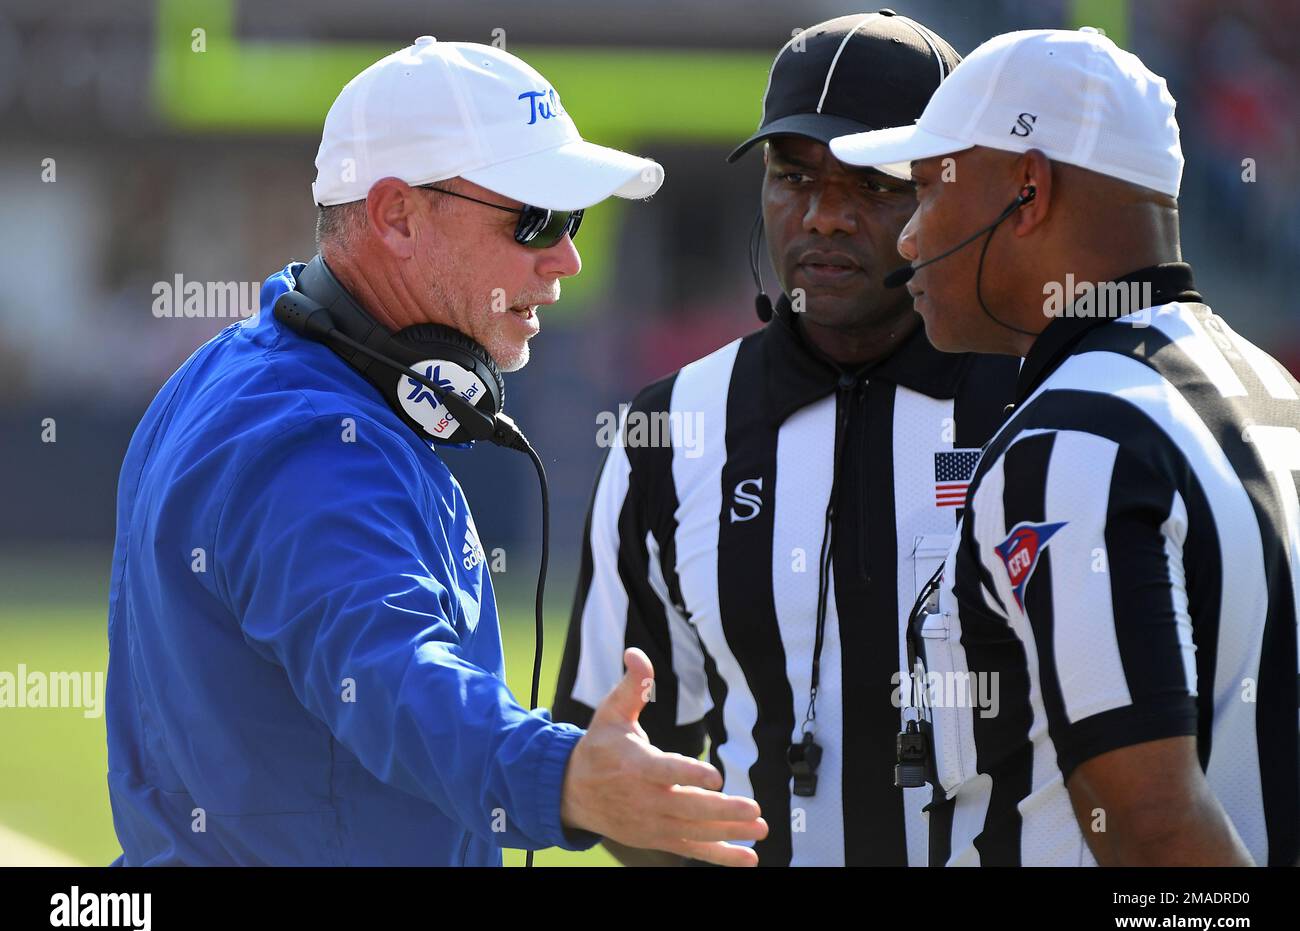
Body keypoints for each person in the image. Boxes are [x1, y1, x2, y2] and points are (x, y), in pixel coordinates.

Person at [105, 37, 766, 866]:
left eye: (574, 221)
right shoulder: (310, 439)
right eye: (537, 219)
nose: (567, 260)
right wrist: (561, 776)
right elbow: (391, 671)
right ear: (397, 216)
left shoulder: (251, 375)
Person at [552, 11, 1019, 866]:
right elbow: (617, 770)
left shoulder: (1038, 407)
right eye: (793, 176)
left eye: (873, 183)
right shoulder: (671, 429)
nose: (826, 217)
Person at [830, 27, 1299, 865]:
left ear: (1028, 188)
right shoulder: (1272, 396)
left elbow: (1154, 832)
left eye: (930, 187)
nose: (906, 238)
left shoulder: (1073, 438)